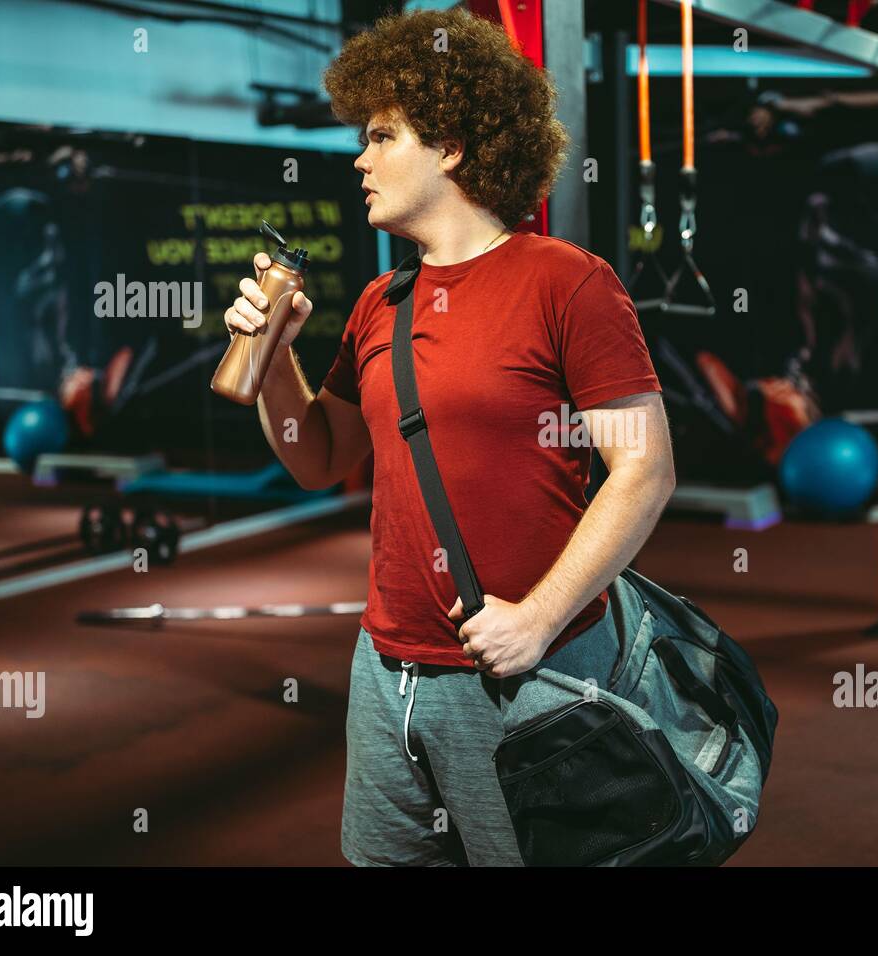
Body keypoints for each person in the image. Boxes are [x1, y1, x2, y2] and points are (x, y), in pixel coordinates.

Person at [221, 8, 674, 866]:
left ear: (454, 146)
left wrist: (538, 619)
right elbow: (316, 458)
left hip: (527, 673)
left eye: (383, 134)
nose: (359, 158)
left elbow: (645, 471)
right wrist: (275, 357)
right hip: (383, 670)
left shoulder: (566, 282)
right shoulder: (376, 304)